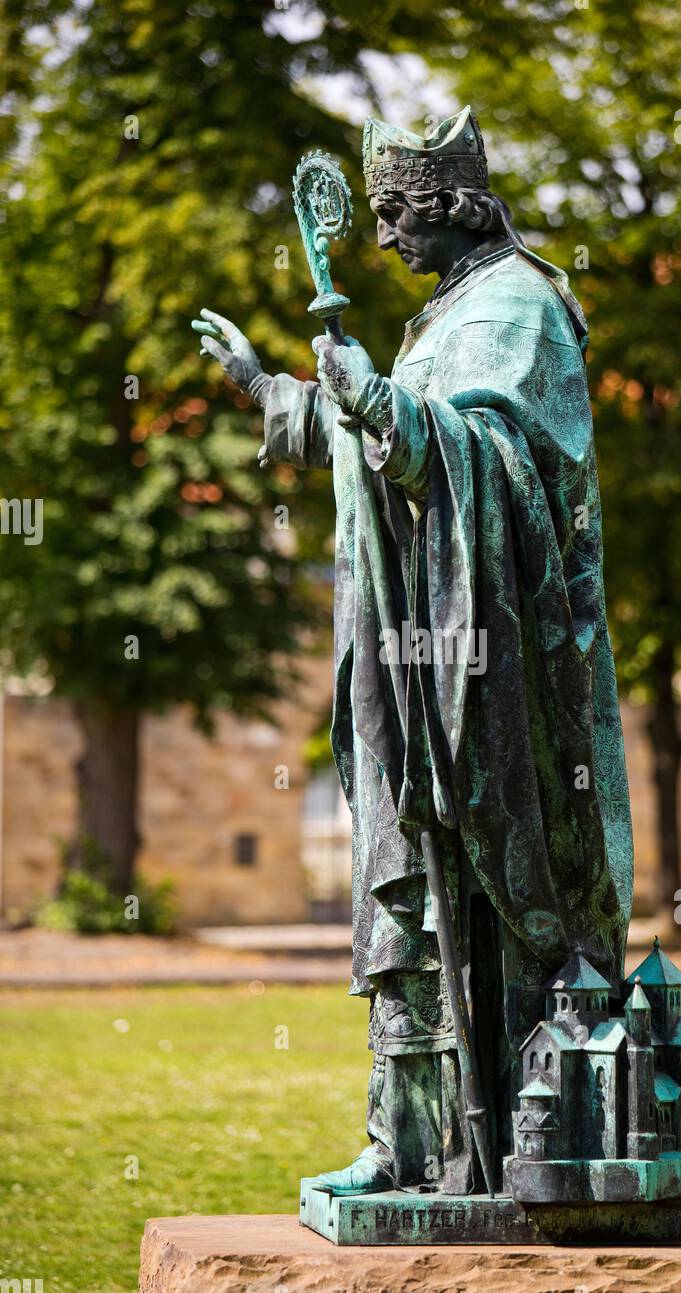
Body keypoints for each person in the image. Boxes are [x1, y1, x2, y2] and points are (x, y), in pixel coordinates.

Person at [192, 107, 633, 1197]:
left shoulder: (519, 306)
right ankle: (407, 1139)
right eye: (378, 215)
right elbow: (375, 437)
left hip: (494, 673)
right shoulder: (443, 312)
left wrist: (385, 405)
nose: (383, 240)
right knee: (403, 899)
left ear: (448, 204)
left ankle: (496, 1149)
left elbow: (491, 462)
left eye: (395, 214)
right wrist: (275, 393)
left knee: (472, 884)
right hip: (408, 654)